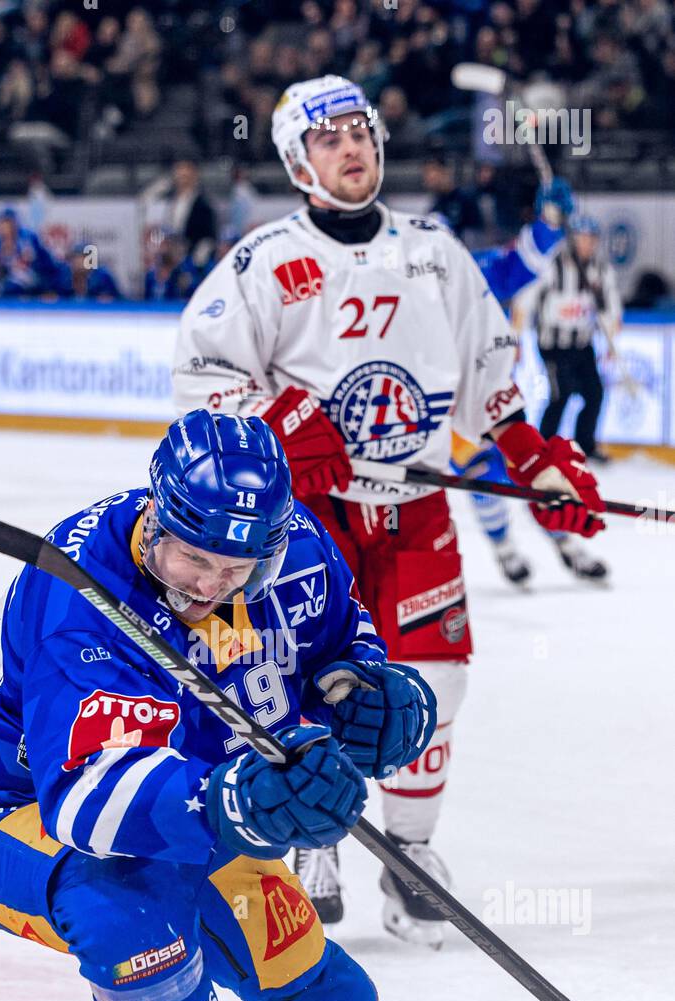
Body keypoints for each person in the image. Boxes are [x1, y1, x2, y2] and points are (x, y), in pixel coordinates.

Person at [0, 410, 516, 1001]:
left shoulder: (295, 546)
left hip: (197, 792)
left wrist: (361, 695)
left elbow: (337, 641)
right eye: (194, 559)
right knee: (136, 923)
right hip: (22, 815)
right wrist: (243, 803)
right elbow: (89, 800)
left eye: (236, 566)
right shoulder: (82, 599)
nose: (211, 582)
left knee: (291, 960)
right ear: (154, 519)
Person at [172, 76, 605, 943]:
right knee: (301, 675)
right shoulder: (263, 259)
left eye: (360, 131)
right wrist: (283, 422)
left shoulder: (435, 251)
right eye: (328, 139)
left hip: (416, 510)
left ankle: (411, 858)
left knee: (437, 678)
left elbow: (491, 377)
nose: (350, 148)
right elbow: (202, 373)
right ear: (299, 161)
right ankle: (315, 837)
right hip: (310, 522)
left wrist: (534, 463)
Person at [452, 179, 611, 588]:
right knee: (484, 475)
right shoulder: (412, 288)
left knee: (531, 469)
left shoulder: (469, 268)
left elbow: (519, 262)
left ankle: (566, 544)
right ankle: (505, 548)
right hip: (446, 413)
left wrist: (550, 222)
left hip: (491, 396)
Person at [519, 214, 622, 470]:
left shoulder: (600, 269)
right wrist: (516, 337)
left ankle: (585, 445)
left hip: (582, 344)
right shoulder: (552, 265)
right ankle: (542, 449)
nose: (586, 244)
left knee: (594, 393)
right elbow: (526, 298)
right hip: (552, 344)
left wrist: (611, 341)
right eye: (581, 238)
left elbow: (611, 308)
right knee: (560, 394)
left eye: (590, 239)